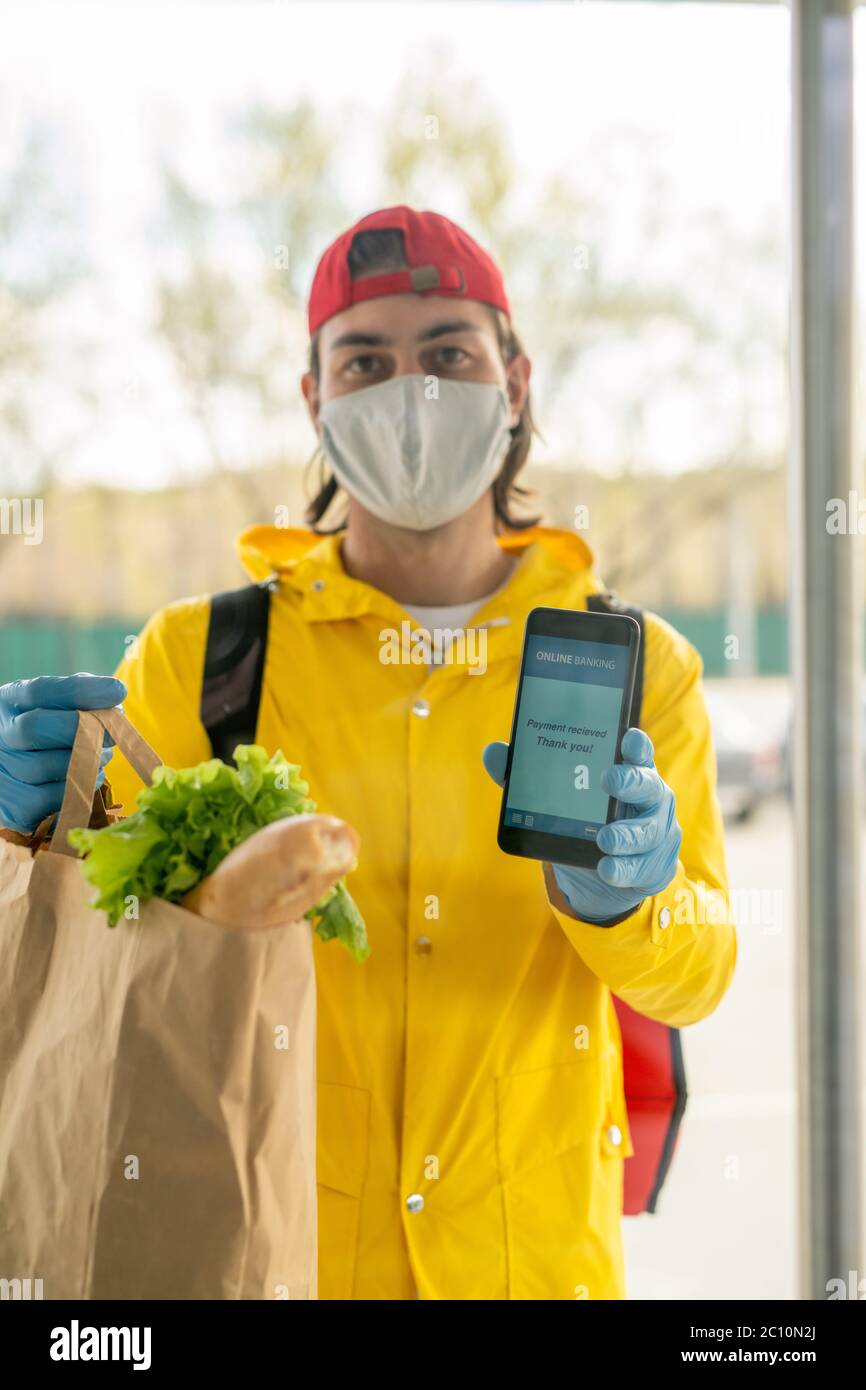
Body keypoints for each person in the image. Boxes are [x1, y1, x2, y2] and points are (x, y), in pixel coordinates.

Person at [0, 205, 736, 1300]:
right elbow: (82, 933)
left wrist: (629, 902)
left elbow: (699, 968)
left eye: (448, 352)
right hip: (263, 1258)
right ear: (315, 400)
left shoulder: (639, 668)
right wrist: (23, 821)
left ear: (515, 383)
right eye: (366, 360)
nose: (413, 391)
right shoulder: (203, 658)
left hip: (528, 1270)